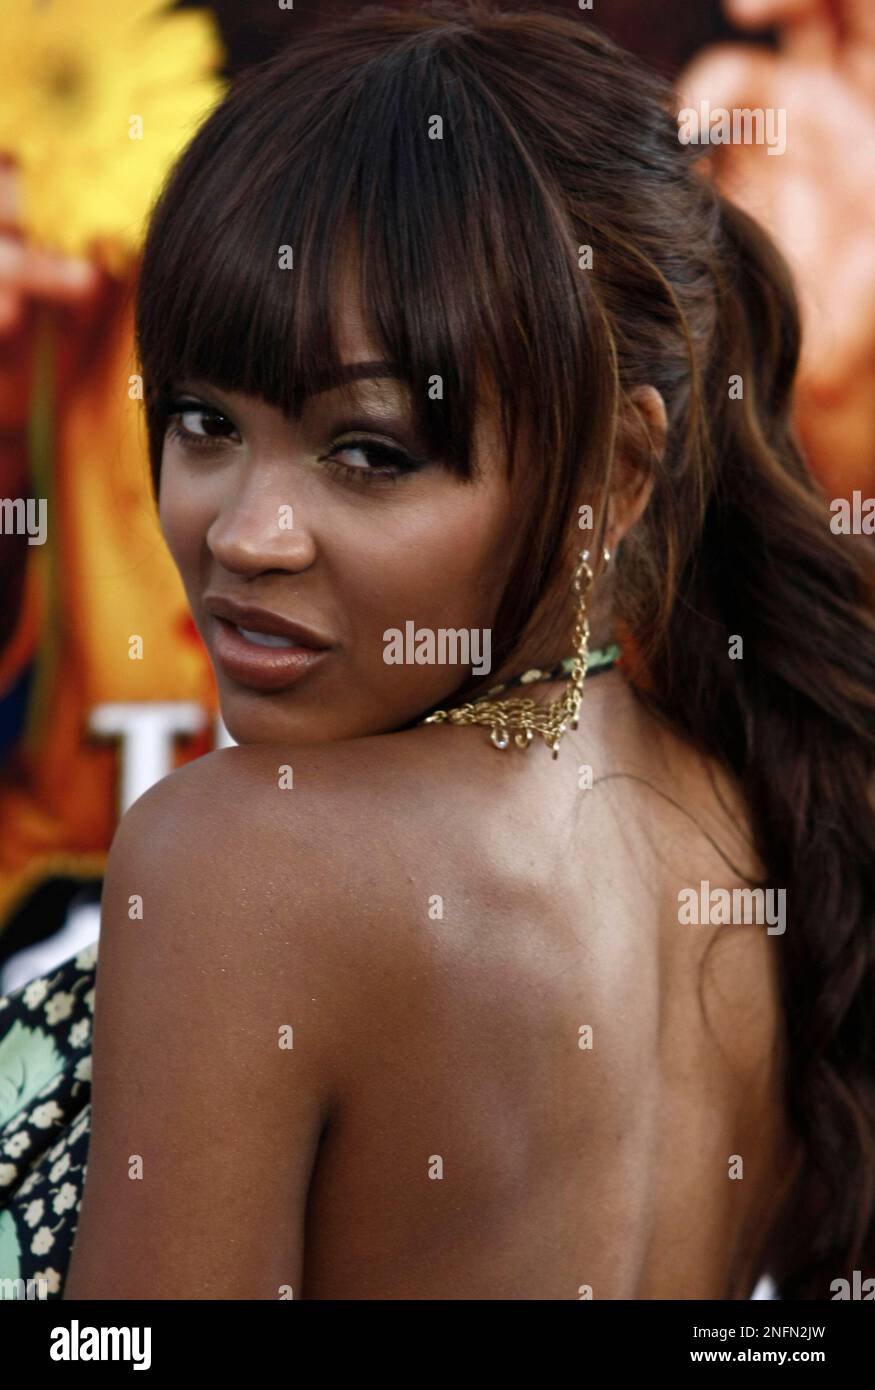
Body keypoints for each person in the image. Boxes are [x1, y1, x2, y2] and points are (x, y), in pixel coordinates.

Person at [2, 1, 874, 1301]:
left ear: (618, 467)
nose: (247, 534)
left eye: (367, 454)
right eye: (203, 420)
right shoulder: (767, 822)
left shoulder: (244, 858)